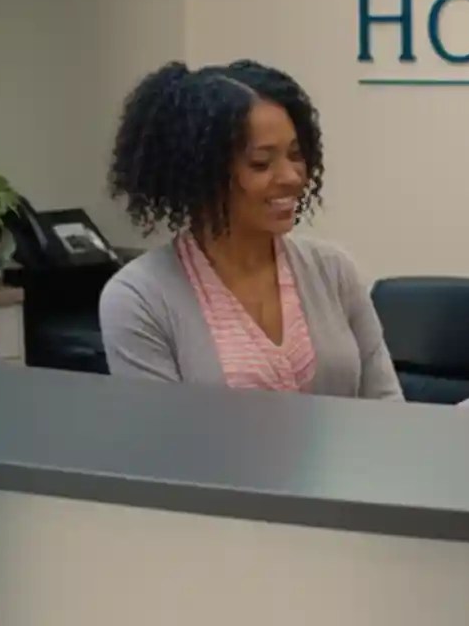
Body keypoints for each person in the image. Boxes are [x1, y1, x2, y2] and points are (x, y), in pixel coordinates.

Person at [98, 59, 404, 400]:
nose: (291, 176)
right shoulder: (139, 298)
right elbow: (160, 442)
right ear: (202, 174)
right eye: (261, 163)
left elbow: (388, 407)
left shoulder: (333, 272)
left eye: (296, 154)